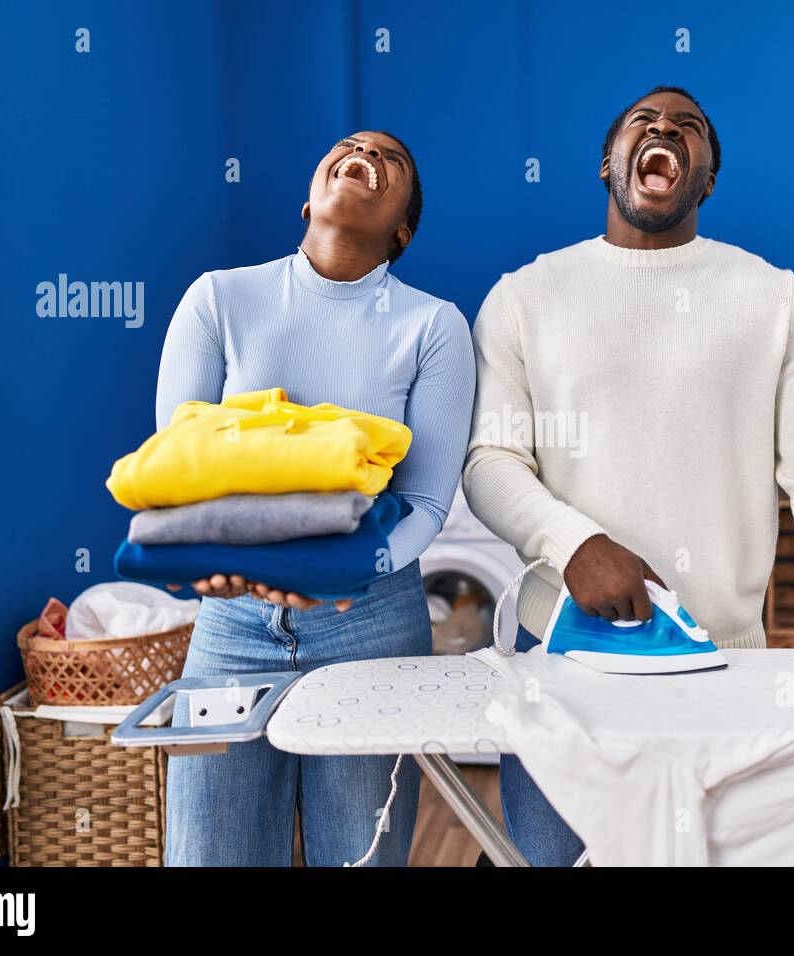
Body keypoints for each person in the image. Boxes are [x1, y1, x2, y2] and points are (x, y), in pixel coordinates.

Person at [462, 86, 794, 866]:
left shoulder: (773, 298)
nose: (664, 127)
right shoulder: (524, 298)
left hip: (729, 656)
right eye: (643, 121)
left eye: (688, 127)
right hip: (563, 654)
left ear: (707, 179)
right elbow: (491, 462)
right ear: (608, 164)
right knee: (550, 856)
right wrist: (574, 543)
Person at [157, 131, 475, 866]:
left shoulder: (433, 327)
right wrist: (216, 559)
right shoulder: (219, 300)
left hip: (371, 625)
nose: (367, 151)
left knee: (359, 855)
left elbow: (426, 502)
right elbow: (179, 468)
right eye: (350, 145)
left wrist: (339, 567)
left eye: (392, 160)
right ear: (308, 199)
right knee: (210, 853)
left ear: (402, 230)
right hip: (231, 622)